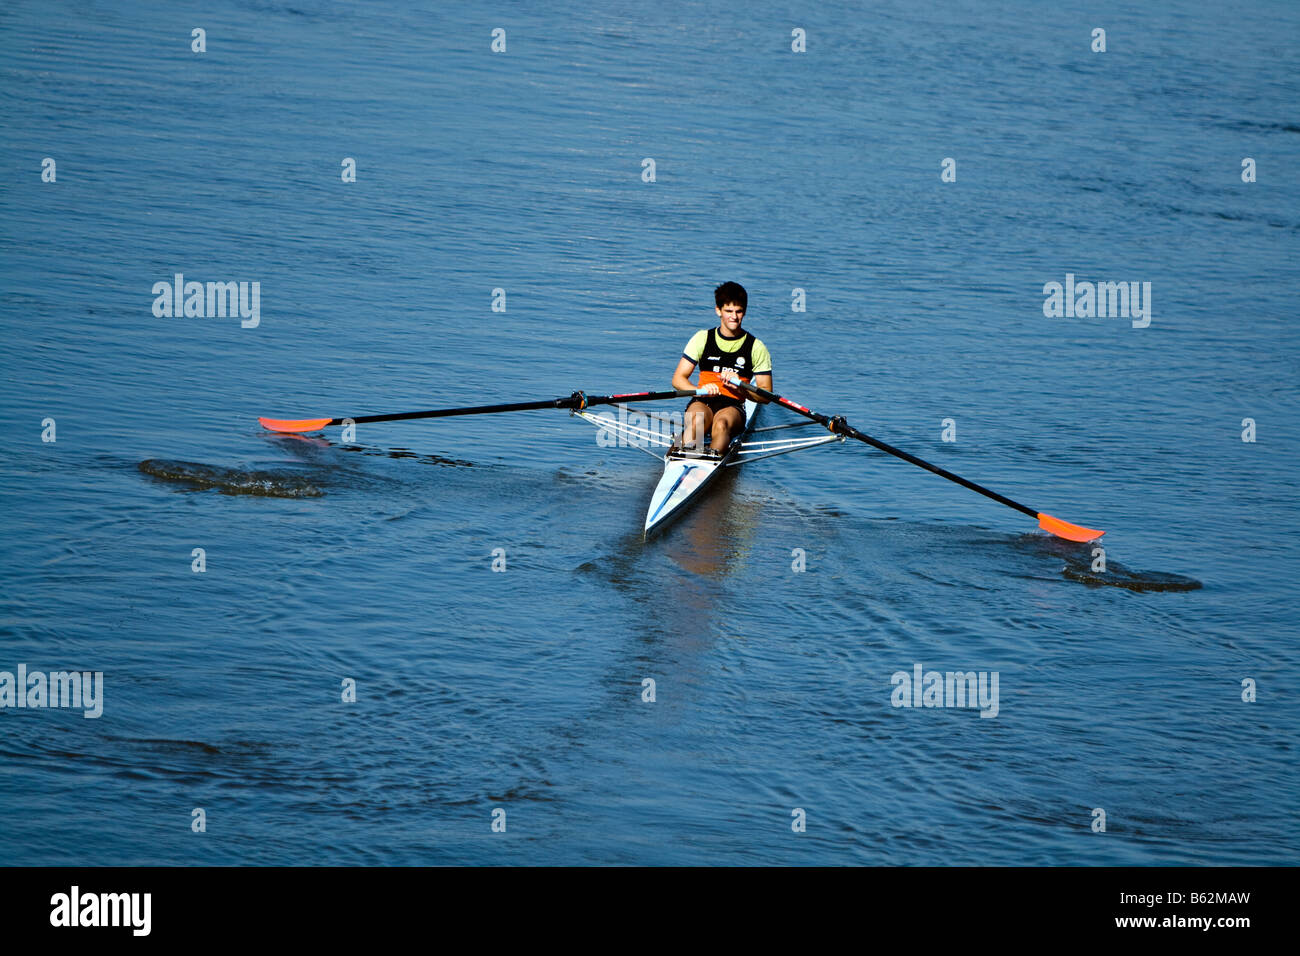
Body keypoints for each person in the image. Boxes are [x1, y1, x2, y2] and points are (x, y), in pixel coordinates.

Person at [670, 282, 772, 456]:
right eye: (728, 311)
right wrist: (699, 390)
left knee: (721, 424)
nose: (734, 317)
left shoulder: (756, 347)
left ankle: (711, 458)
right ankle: (680, 453)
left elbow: (766, 395)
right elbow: (678, 380)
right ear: (718, 311)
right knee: (697, 422)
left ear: (744, 312)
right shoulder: (702, 338)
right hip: (702, 401)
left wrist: (740, 386)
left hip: (733, 406)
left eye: (738, 311)